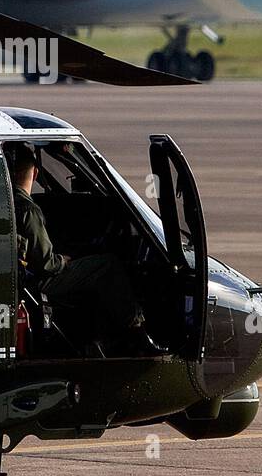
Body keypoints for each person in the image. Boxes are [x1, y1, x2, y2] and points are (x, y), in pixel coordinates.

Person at [10, 144, 166, 355]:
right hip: (37, 283)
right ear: (35, 173)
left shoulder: (9, 203)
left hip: (23, 280)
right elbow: (47, 265)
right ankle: (136, 334)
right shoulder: (27, 209)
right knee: (107, 267)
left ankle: (100, 338)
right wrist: (63, 260)